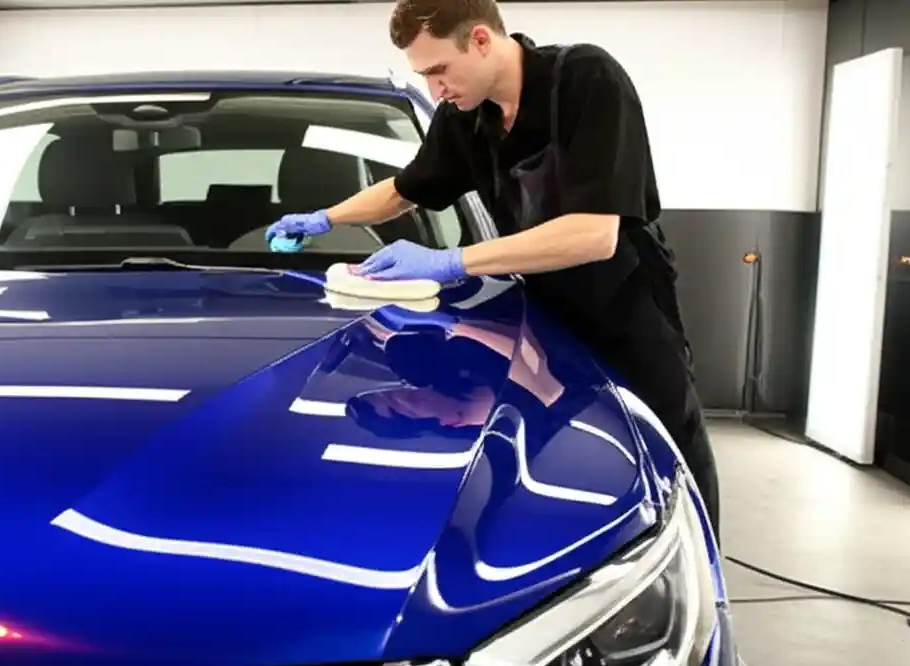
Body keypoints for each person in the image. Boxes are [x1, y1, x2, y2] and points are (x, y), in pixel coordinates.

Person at [263, 0, 721, 533]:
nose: (435, 89)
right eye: (424, 75)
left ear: (480, 39)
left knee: (668, 450)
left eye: (438, 70)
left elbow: (593, 235)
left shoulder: (585, 80)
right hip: (543, 311)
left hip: (625, 310)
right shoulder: (465, 117)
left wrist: (451, 261)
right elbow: (405, 190)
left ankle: (695, 562)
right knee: (552, 462)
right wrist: (326, 218)